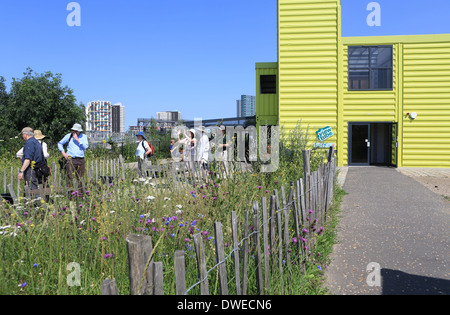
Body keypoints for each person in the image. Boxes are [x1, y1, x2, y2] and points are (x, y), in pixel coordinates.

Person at [57, 123, 89, 189]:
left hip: (80, 159)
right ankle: (71, 194)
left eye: (76, 131)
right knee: (71, 177)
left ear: (79, 131)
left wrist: (77, 140)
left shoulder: (84, 137)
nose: (74, 132)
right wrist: (63, 152)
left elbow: (85, 146)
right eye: (73, 130)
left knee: (80, 178)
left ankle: (80, 194)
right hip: (71, 159)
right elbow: (60, 143)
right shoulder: (69, 136)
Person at [17, 127, 44, 196]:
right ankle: (29, 204)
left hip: (31, 170)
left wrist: (21, 171)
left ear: (25, 134)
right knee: (34, 188)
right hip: (39, 169)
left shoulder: (29, 143)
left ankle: (33, 205)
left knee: (31, 189)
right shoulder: (37, 142)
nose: (22, 137)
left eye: (22, 134)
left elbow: (28, 159)